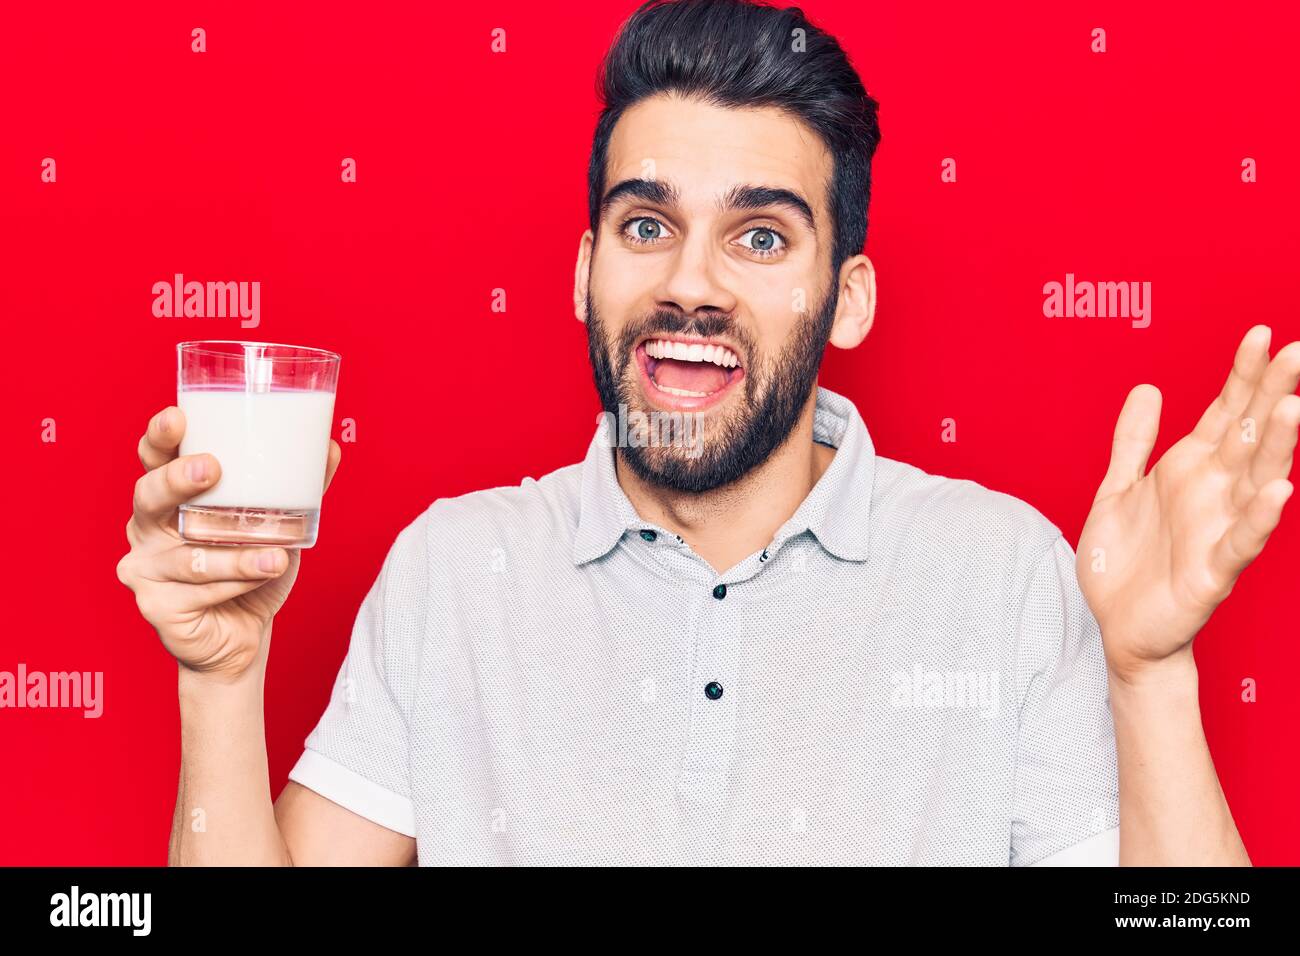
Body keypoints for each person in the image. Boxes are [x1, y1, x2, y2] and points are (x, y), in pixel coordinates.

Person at [116, 0, 1299, 865]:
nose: (691, 283)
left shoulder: (1000, 571)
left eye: (763, 237)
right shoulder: (452, 570)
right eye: (644, 225)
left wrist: (1150, 673)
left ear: (850, 298)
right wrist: (222, 677)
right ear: (584, 271)